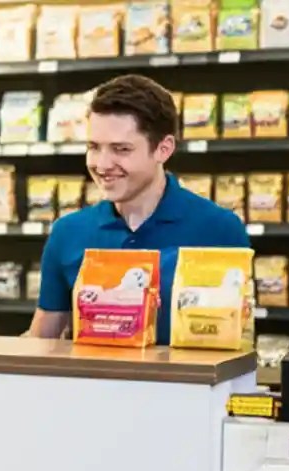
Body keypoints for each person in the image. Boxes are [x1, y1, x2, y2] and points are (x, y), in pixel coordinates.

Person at [27, 74, 250, 343]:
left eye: (121, 149)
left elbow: (239, 342)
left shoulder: (220, 229)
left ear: (163, 149)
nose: (102, 164)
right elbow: (41, 341)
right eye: (93, 147)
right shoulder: (67, 233)